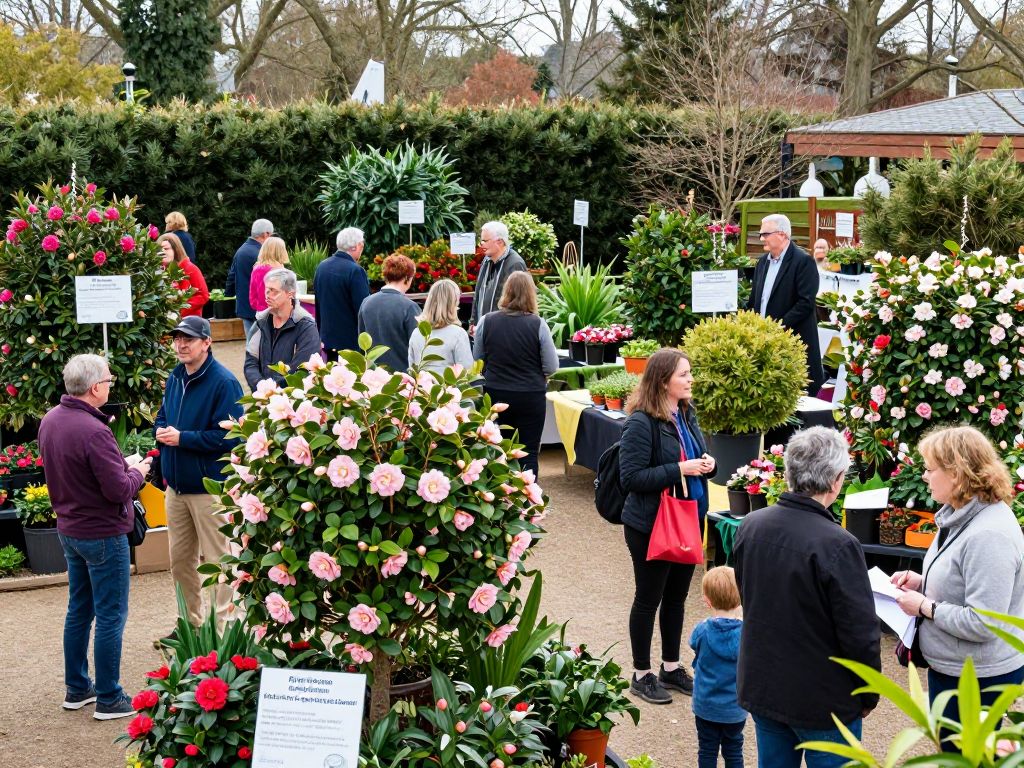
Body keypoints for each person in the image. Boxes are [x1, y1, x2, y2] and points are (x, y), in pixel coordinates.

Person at [734, 426, 880, 768]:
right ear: (836, 480)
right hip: (823, 700)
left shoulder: (751, 526)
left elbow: (750, 596)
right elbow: (859, 633)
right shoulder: (838, 544)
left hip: (765, 684)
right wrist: (868, 690)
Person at [891, 426, 1024, 746]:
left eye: (929, 469)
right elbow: (964, 579)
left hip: (978, 677)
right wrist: (922, 582)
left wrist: (924, 606)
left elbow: (985, 622)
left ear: (956, 473)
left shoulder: (989, 534)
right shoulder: (959, 514)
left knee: (964, 756)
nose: (924, 476)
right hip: (956, 667)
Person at [38, 354, 151, 720]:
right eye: (108, 379)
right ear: (94, 387)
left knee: (80, 610)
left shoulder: (51, 421)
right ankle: (109, 696)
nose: (110, 383)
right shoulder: (94, 430)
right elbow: (118, 490)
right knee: (110, 616)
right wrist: (139, 471)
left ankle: (77, 688)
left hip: (69, 529)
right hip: (102, 533)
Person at [619, 348, 715, 705]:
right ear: (663, 381)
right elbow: (630, 477)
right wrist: (680, 469)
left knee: (676, 597)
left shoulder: (686, 414)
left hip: (686, 518)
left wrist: (708, 464)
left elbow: (695, 460)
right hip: (650, 523)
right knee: (649, 597)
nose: (691, 380)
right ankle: (641, 674)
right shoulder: (641, 422)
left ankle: (670, 667)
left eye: (690, 373)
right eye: (684, 375)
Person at [155, 316, 243, 636]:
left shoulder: (224, 382)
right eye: (177, 338)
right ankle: (189, 625)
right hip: (176, 490)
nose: (181, 344)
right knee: (180, 563)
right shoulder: (175, 377)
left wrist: (183, 439)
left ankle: (224, 631)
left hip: (210, 490)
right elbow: (163, 416)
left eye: (188, 339)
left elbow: (232, 438)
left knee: (219, 562)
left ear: (207, 342)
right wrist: (161, 431)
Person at [473, 272, 557, 477]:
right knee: (527, 451)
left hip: (496, 393)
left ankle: (500, 498)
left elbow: (477, 359)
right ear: (531, 294)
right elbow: (552, 365)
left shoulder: (487, 321)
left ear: (506, 292)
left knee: (498, 448)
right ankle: (529, 502)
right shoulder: (538, 324)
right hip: (530, 394)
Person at [747, 214, 824, 394]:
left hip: (794, 341)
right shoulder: (762, 263)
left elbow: (806, 303)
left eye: (765, 234)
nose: (761, 238)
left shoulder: (803, 261)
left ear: (782, 234)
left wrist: (777, 327)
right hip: (765, 342)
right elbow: (754, 301)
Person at [690, 566, 746, 768]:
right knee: (733, 750)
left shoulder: (703, 630)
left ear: (707, 600)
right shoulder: (746, 634)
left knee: (707, 750)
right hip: (734, 708)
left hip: (706, 706)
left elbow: (692, 643)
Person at [244, 268, 321, 390]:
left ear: (290, 294)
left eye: (273, 291)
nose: (267, 295)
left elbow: (301, 370)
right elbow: (250, 362)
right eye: (267, 290)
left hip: (292, 401)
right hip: (263, 399)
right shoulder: (260, 322)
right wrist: (260, 386)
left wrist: (274, 389)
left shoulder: (306, 327)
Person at [314, 227, 371, 359]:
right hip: (351, 341)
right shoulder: (355, 270)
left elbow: (318, 302)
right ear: (356, 246)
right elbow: (362, 309)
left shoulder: (322, 266)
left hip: (328, 338)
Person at [357, 254, 420, 371]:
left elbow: (362, 342)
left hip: (373, 375)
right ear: (407, 277)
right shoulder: (409, 307)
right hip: (402, 377)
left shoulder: (366, 302)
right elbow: (418, 347)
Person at [469, 221, 527, 337]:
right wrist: (473, 322)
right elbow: (479, 293)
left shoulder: (515, 264)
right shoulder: (486, 260)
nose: (481, 244)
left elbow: (516, 305)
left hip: (502, 335)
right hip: (482, 332)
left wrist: (492, 329)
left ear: (499, 242)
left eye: (485, 241)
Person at [408, 278, 473, 375]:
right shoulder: (458, 334)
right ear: (454, 303)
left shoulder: (417, 333)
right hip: (449, 388)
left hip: (422, 388)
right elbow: (467, 372)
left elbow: (412, 369)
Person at [226, 219, 274, 338]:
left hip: (244, 305)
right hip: (259, 307)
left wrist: (228, 294)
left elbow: (232, 275)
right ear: (266, 234)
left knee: (251, 342)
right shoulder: (261, 254)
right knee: (261, 343)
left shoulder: (241, 250)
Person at [158, 233, 209, 318]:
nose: (163, 251)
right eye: (160, 249)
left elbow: (203, 295)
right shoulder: (158, 272)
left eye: (166, 248)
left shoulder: (190, 269)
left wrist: (179, 310)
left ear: (176, 250)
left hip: (189, 323)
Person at [249, 236, 289, 314]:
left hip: (262, 313)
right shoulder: (279, 270)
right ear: (280, 251)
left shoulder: (257, 268)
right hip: (278, 313)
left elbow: (253, 297)